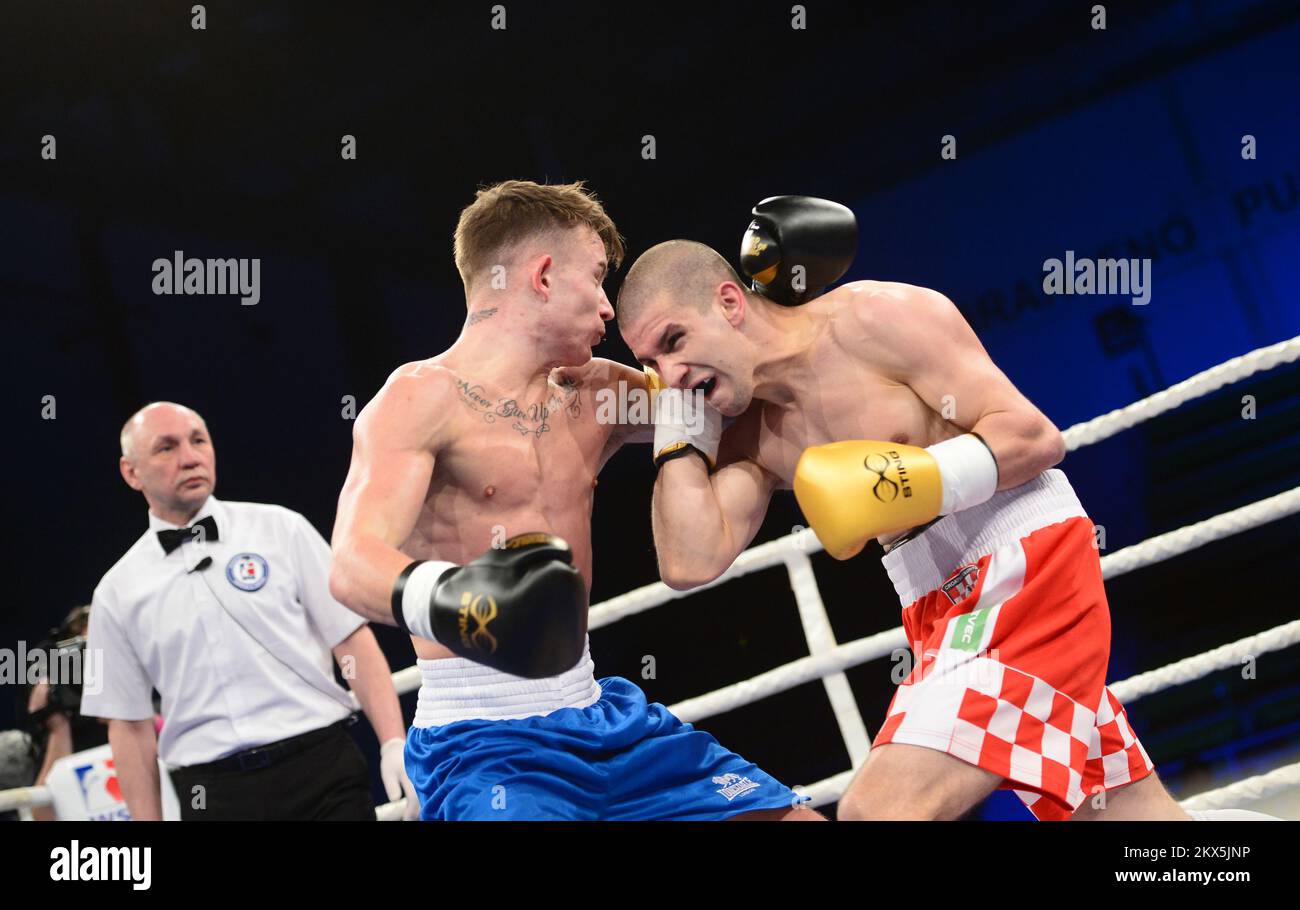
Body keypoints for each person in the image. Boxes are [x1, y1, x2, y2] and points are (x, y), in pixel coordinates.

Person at [615, 198, 1192, 821]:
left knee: (881, 811)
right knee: (1130, 824)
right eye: (650, 363)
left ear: (729, 302)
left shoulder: (875, 319)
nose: (668, 372)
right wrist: (681, 433)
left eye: (674, 342)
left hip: (1025, 569)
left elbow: (1032, 436)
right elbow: (689, 560)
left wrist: (911, 481)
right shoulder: (752, 438)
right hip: (934, 606)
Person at [329, 179, 819, 821]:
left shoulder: (600, 396)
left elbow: (730, 392)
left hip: (600, 714)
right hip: (484, 744)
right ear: (542, 276)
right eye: (595, 278)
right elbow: (351, 564)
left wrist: (784, 309)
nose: (609, 310)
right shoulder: (421, 397)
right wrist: (461, 600)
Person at [80, 401, 418, 820]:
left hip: (321, 768)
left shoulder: (281, 529)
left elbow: (350, 639)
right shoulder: (115, 592)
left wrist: (392, 741)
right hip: (215, 795)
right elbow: (128, 726)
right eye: (166, 448)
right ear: (131, 472)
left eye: (198, 440)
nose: (189, 457)